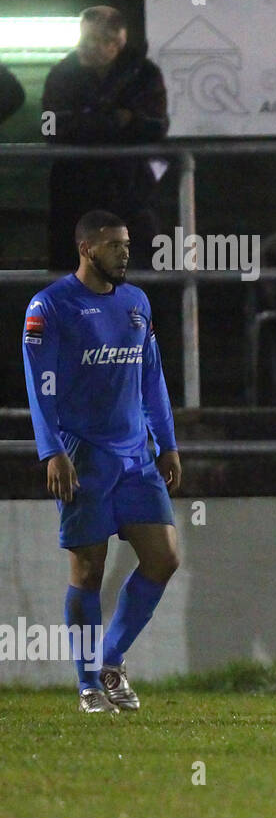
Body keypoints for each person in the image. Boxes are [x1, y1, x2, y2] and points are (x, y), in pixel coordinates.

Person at [22, 210, 180, 714]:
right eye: (114, 245)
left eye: (127, 244)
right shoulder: (50, 306)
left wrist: (167, 441)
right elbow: (39, 385)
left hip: (136, 455)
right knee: (88, 570)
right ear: (87, 249)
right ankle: (89, 683)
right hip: (82, 454)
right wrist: (52, 450)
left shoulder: (136, 302)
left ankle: (111, 660)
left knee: (163, 558)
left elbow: (151, 377)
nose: (125, 253)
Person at [42, 7, 168, 272]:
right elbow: (51, 128)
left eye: (96, 40)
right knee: (74, 264)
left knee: (136, 263)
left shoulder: (143, 74)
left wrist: (86, 121)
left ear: (116, 43)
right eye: (84, 39)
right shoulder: (62, 74)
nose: (85, 47)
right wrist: (116, 120)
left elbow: (155, 125)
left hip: (130, 187)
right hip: (75, 187)